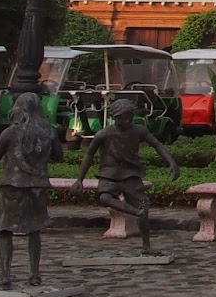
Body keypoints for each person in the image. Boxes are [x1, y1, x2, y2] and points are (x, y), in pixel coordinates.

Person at [71, 98, 179, 254]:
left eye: (129, 116)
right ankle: (135, 212)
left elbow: (157, 144)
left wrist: (172, 162)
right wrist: (79, 179)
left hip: (131, 174)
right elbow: (89, 155)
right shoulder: (103, 134)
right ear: (115, 117)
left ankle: (146, 246)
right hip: (109, 174)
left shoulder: (139, 130)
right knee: (104, 198)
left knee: (143, 205)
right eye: (122, 117)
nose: (127, 120)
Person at [0, 91, 63, 288]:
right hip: (37, 186)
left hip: (12, 186)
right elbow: (59, 157)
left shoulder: (10, 133)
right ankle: (34, 275)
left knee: (5, 230)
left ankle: (5, 276)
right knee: (35, 230)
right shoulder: (50, 132)